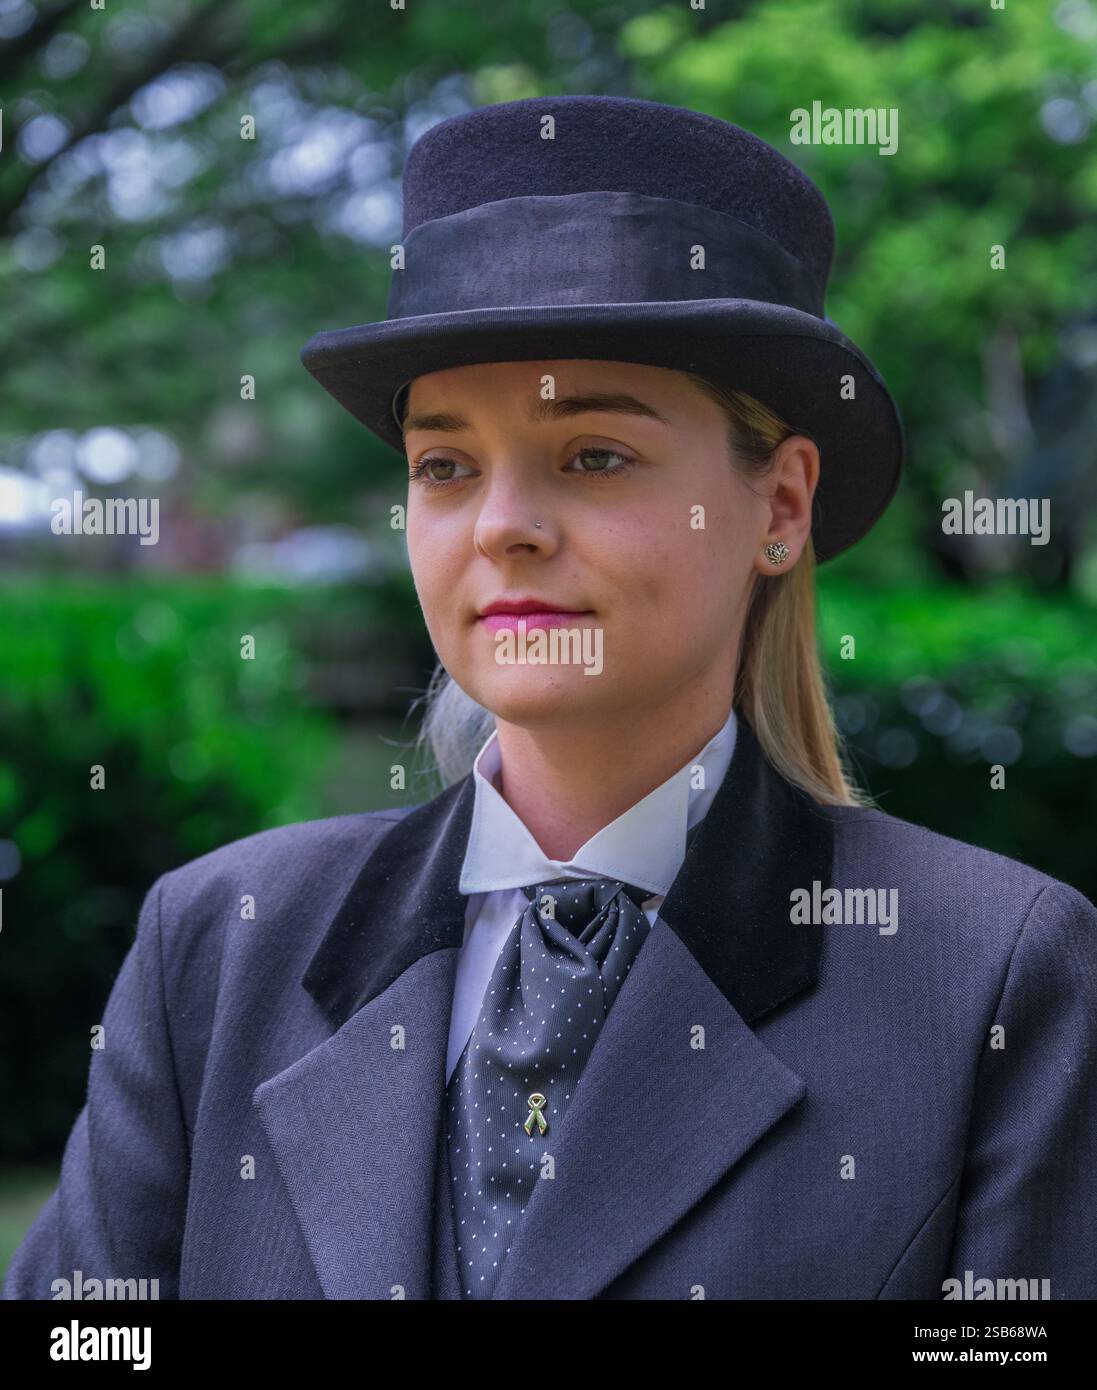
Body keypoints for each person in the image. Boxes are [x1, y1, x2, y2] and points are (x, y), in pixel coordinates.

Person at [4, 94, 1095, 1302]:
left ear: (778, 507)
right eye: (443, 465)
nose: (503, 527)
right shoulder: (218, 942)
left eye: (592, 455)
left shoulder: (992, 976)